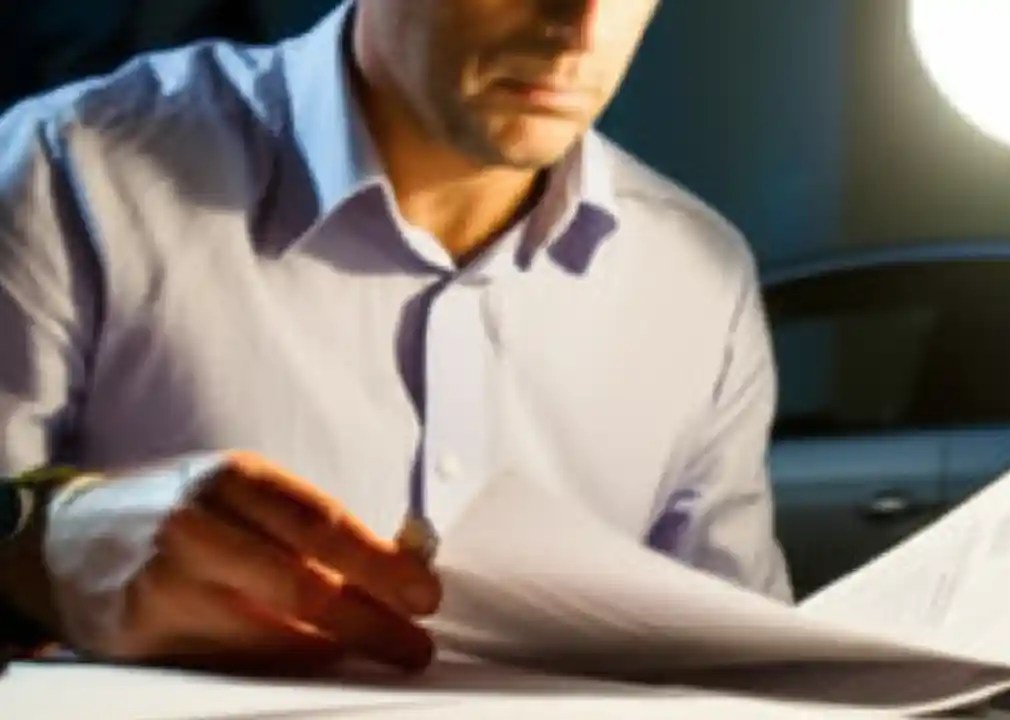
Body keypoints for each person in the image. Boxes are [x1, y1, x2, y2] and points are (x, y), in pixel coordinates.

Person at [0, 0, 792, 673]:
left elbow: (741, 671)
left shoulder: (698, 279)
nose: (581, 25)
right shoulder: (69, 177)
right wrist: (40, 545)